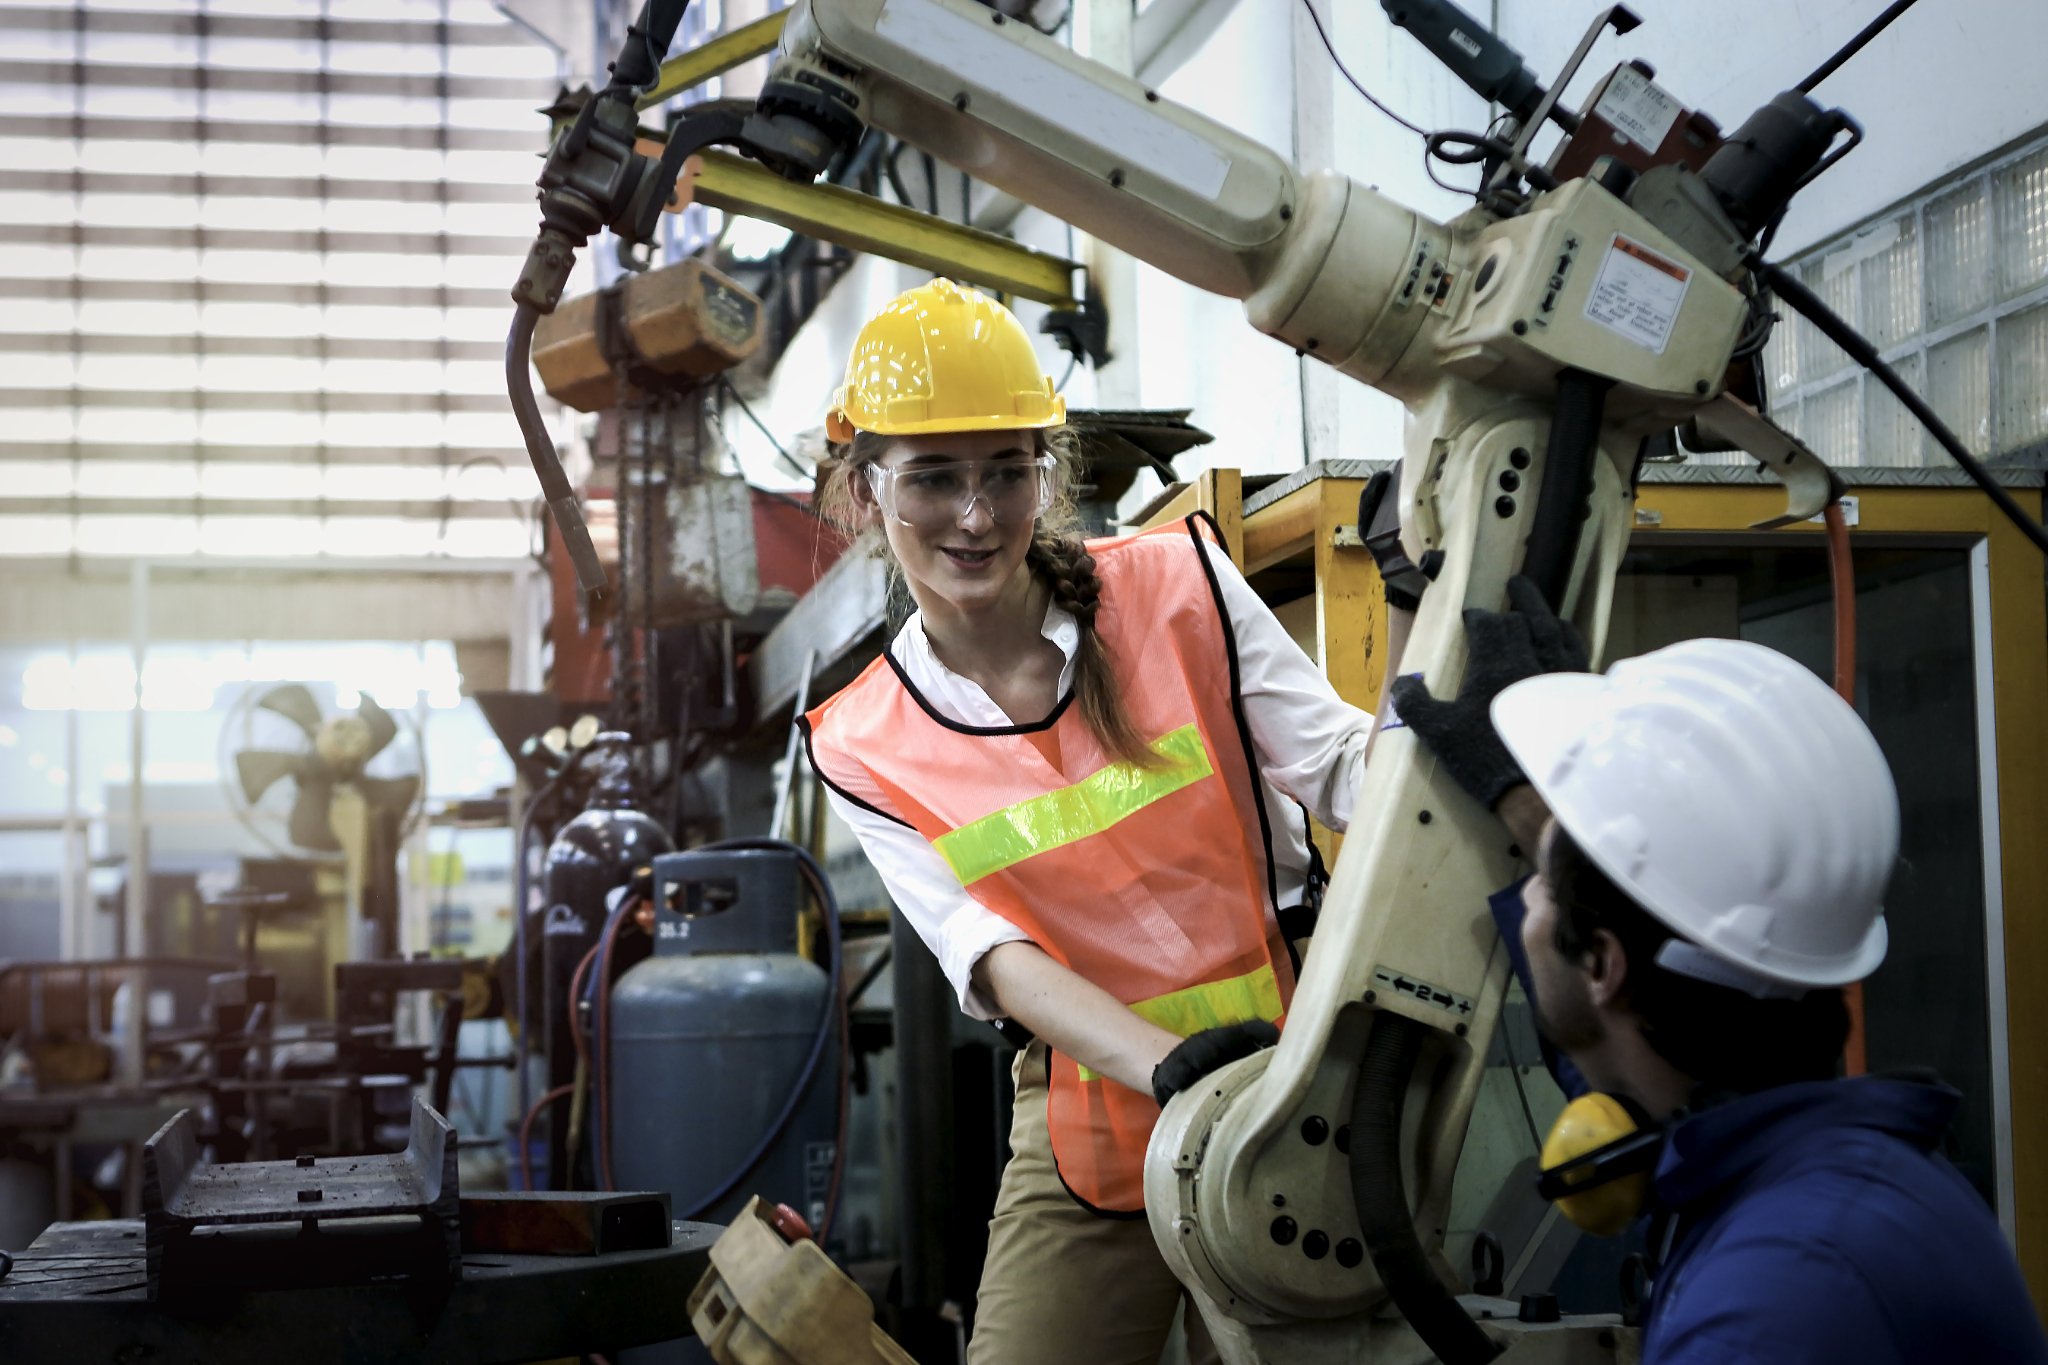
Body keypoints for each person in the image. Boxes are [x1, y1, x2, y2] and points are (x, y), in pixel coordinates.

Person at [801, 279, 1383, 1365]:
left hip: (1303, 1076)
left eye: (1004, 474)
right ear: (866, 488)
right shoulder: (859, 739)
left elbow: (1342, 766)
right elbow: (991, 958)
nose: (975, 517)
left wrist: (1446, 732)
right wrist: (1167, 1070)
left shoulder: (1179, 586)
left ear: (1044, 472)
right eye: (932, 479)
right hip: (1094, 1105)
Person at [1392, 582, 2048, 1364]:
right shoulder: (1827, 1182)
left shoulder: (1773, 1305)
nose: (1530, 883)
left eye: (1542, 880)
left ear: (1603, 961)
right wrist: (1539, 808)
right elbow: (1617, 1036)